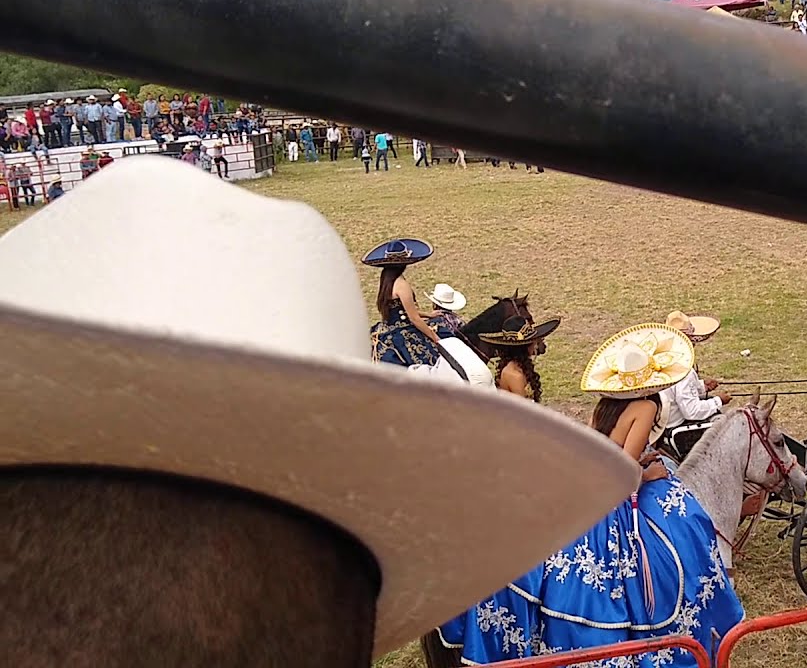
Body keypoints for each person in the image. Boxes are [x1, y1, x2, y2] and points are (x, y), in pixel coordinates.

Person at [0, 155, 637, 668]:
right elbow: (413, 322)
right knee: (440, 355)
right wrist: (440, 334)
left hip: (383, 338)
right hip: (406, 337)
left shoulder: (383, 286)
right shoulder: (407, 291)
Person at [438, 323, 742, 667]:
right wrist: (649, 473)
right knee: (677, 533)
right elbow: (624, 472)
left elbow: (601, 448)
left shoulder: (606, 406)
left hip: (587, 480)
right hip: (613, 497)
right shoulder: (646, 408)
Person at [365, 238, 445, 367]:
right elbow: (414, 318)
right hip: (403, 333)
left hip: (385, 329)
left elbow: (401, 310)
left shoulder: (386, 281)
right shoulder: (402, 285)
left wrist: (428, 315)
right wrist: (435, 338)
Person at [657, 311, 729, 447]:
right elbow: (692, 411)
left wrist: (702, 386)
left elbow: (675, 391)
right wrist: (719, 401)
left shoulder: (661, 360)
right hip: (675, 426)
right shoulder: (683, 370)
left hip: (662, 423)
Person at [478, 315, 562, 402]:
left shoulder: (517, 367)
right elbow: (525, 411)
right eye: (533, 342)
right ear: (526, 347)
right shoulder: (514, 375)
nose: (535, 345)